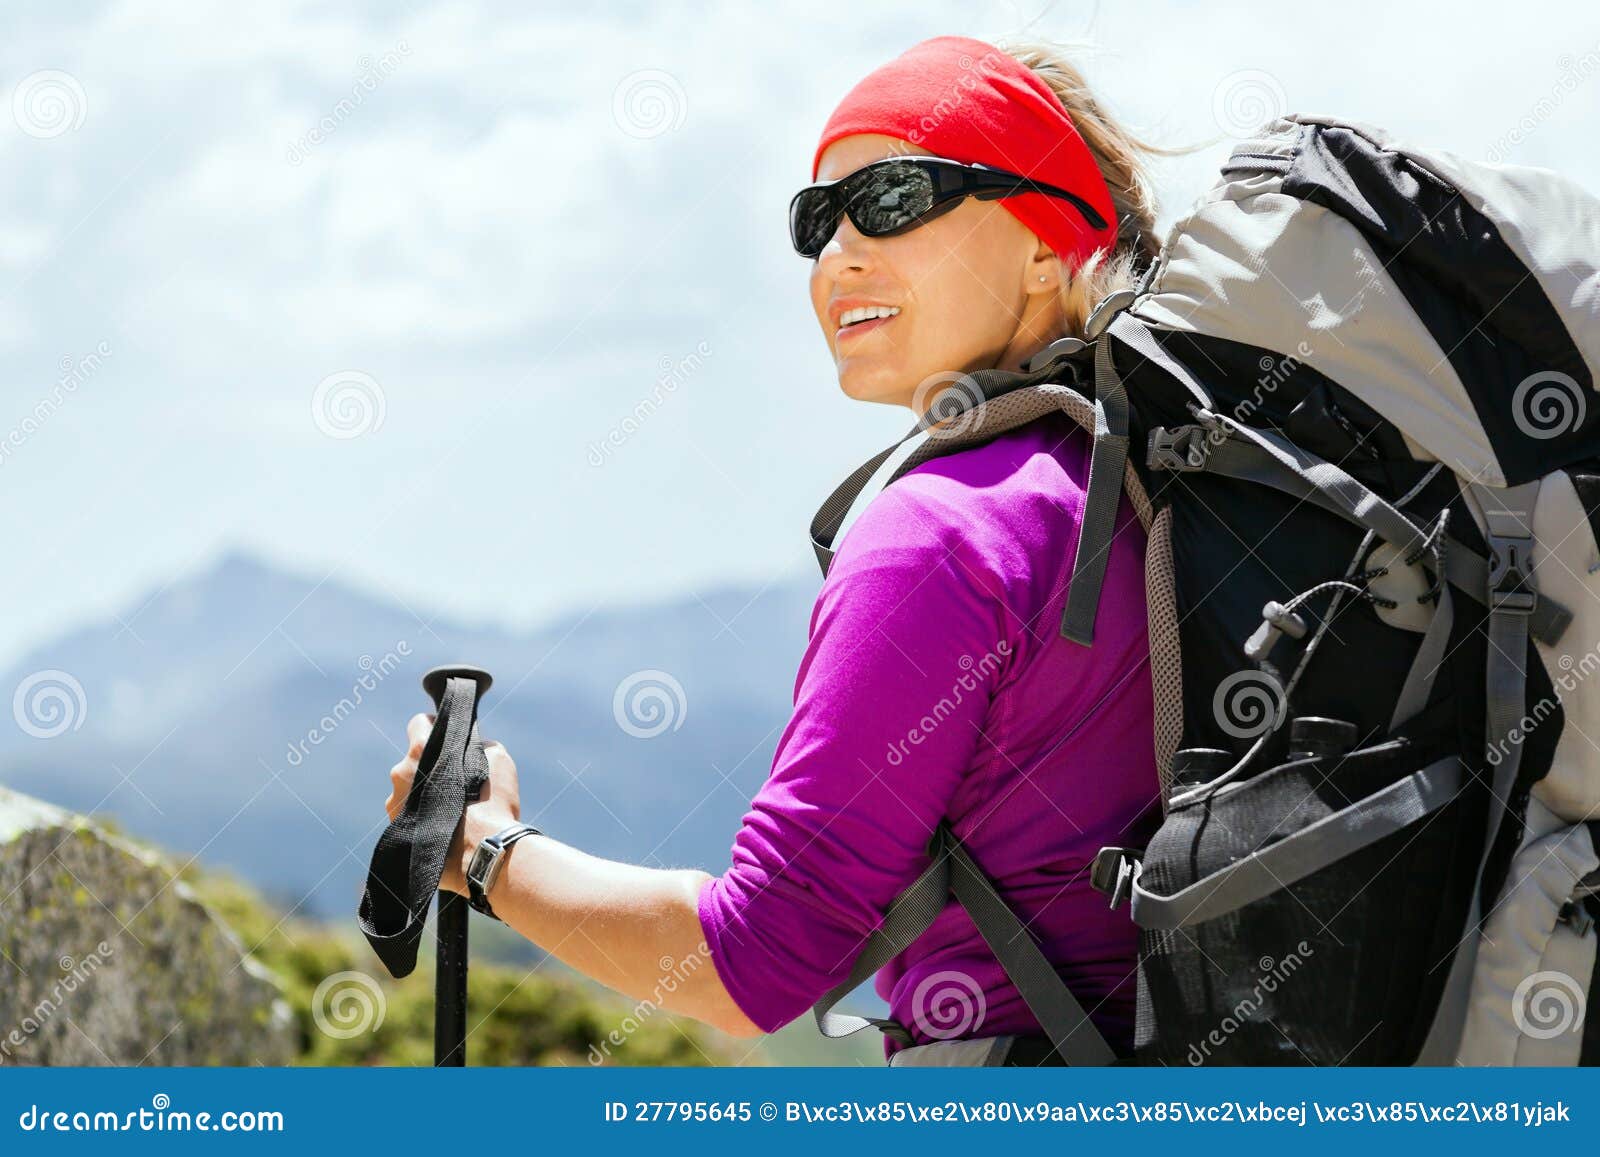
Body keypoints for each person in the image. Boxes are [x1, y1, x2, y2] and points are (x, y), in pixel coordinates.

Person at [384, 33, 1170, 1064]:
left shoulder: (943, 530)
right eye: (818, 218)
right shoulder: (1151, 497)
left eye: (894, 198)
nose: (838, 251)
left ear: (1047, 241)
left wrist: (482, 851)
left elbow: (747, 961)